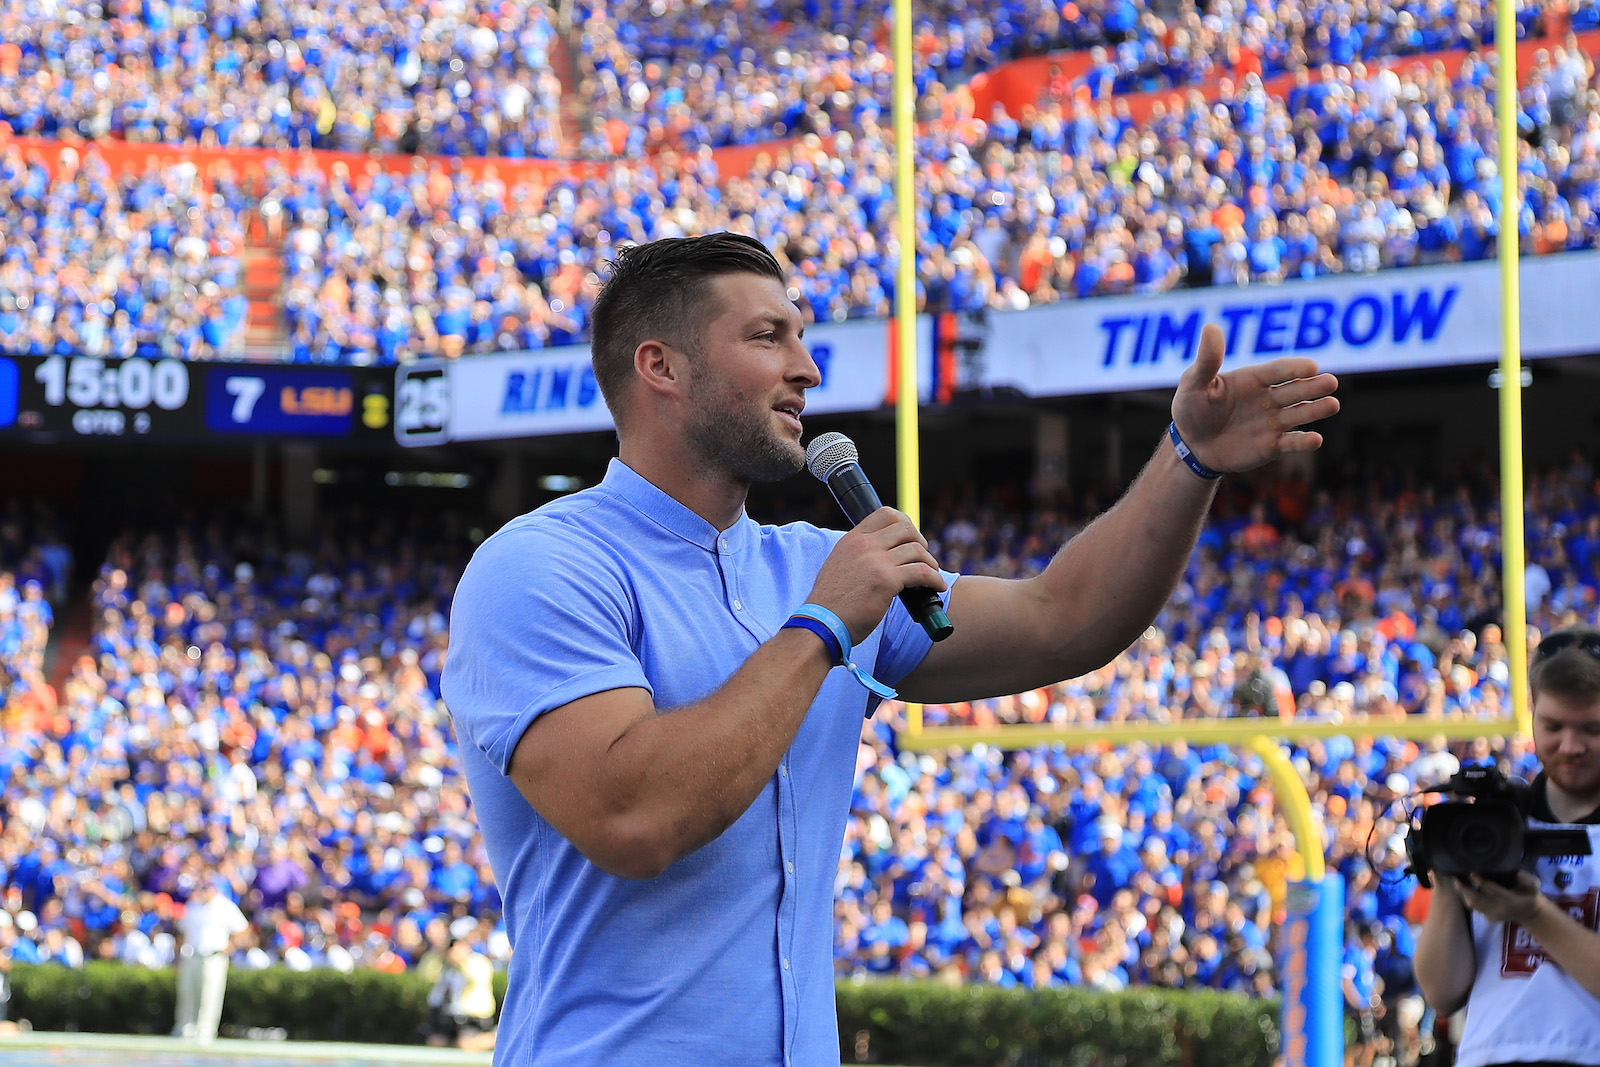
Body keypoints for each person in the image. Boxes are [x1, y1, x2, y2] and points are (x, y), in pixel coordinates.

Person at [441, 231, 1339, 1065]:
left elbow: (1062, 618)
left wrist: (1188, 459)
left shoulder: (810, 563)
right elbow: (633, 820)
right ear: (660, 366)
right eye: (768, 337)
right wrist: (823, 626)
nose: (807, 367)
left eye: (803, 337)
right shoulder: (538, 566)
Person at [1414, 625, 1600, 1067]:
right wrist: (1448, 877)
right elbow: (1442, 991)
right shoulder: (1490, 822)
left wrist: (1532, 913)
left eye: (1592, 729)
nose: (1570, 747)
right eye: (1553, 726)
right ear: (1532, 717)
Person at [172, 878, 249, 1043]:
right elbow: (182, 932)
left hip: (213, 956)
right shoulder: (193, 906)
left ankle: (205, 1030)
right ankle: (185, 1027)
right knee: (187, 993)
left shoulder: (225, 907)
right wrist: (177, 956)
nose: (203, 892)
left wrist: (230, 946)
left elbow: (243, 929)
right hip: (191, 955)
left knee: (210, 995)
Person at [423, 938, 499, 1051]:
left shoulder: (478, 961)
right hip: (452, 1018)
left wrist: (463, 962)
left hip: (473, 1017)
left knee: (465, 1044)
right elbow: (429, 978)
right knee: (436, 1041)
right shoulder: (448, 967)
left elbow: (477, 980)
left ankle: (493, 1037)